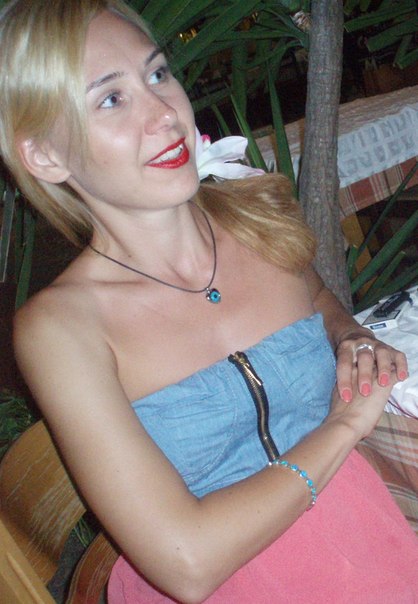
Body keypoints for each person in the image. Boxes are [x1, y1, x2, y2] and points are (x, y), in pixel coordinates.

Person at [1, 1, 417, 602]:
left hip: (365, 536)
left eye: (157, 74)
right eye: (111, 99)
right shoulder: (62, 328)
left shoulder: (254, 215)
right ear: (45, 154)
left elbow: (316, 295)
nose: (164, 114)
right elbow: (188, 564)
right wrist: (345, 424)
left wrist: (348, 332)